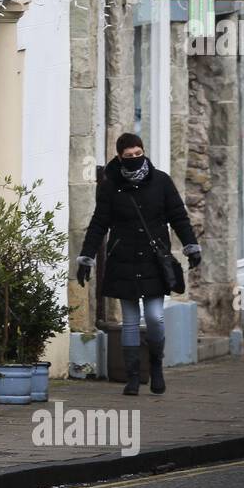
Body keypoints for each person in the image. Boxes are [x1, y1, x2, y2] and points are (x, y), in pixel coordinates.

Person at [76, 133, 201, 396]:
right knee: (130, 321)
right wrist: (87, 257)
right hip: (124, 260)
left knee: (155, 316)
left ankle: (155, 365)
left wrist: (191, 247)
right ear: (119, 157)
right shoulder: (110, 186)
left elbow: (178, 216)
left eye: (138, 154)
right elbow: (99, 223)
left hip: (155, 260)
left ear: (143, 152)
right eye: (128, 156)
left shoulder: (161, 181)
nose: (134, 159)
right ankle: (133, 377)